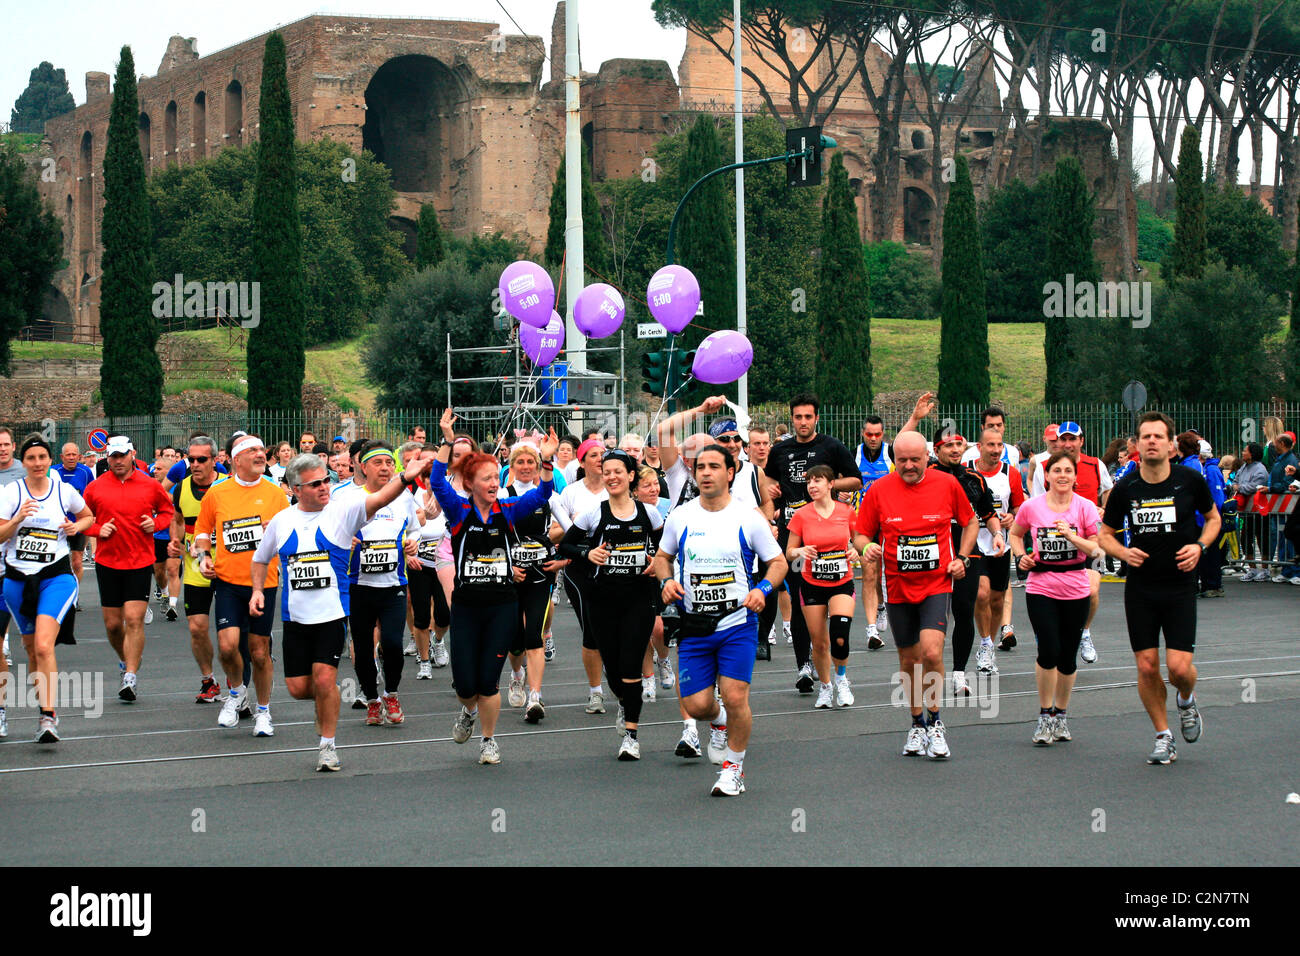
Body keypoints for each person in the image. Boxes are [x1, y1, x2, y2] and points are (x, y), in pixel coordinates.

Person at [250, 449, 435, 771]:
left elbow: (379, 499)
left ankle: (327, 747)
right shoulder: (282, 521)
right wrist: (256, 591)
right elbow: (260, 559)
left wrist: (406, 476)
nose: (324, 487)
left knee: (324, 678)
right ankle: (328, 695)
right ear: (296, 489)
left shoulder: (341, 511)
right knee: (297, 689)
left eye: (325, 480)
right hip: (295, 619)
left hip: (332, 616)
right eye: (314, 484)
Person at [652, 443, 786, 796]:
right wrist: (666, 581)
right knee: (697, 705)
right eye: (701, 467)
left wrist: (763, 590)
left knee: (735, 695)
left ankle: (733, 769)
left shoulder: (747, 517)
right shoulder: (681, 516)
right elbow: (663, 557)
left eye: (714, 466)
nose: (706, 472)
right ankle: (719, 722)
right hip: (695, 625)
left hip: (737, 623)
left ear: (730, 473)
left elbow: (779, 563)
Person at [427, 409, 558, 765]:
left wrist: (546, 459)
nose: (491, 483)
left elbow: (544, 493)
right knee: (465, 685)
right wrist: (446, 440)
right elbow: (437, 481)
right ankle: (466, 712)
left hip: (502, 605)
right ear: (470, 484)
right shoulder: (458, 511)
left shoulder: (509, 509)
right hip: (467, 606)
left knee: (489, 681)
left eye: (494, 477)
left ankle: (488, 740)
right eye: (484, 478)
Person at [1098, 412, 1220, 765]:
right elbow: (1105, 535)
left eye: (1158, 436)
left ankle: (1185, 700)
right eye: (1145, 436)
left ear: (1170, 444)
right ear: (1137, 445)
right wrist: (1123, 551)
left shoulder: (1189, 481)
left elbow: (1213, 519)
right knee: (1148, 666)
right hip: (1141, 588)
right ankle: (1163, 735)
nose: (1151, 441)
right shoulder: (1126, 488)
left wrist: (1199, 547)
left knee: (1179, 670)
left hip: (1180, 585)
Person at [854, 431, 978, 760]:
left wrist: (962, 558)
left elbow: (970, 523)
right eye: (902, 460)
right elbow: (859, 532)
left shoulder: (946, 484)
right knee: (909, 660)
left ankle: (936, 722)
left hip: (936, 584)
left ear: (927, 457)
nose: (909, 466)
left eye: (915, 459)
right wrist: (866, 547)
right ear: (895, 460)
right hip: (897, 588)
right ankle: (916, 723)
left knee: (932, 652)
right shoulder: (880, 489)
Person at [560, 449, 663, 759]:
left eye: (618, 471)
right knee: (615, 671)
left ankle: (631, 735)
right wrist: (586, 554)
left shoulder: (649, 514)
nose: (612, 476)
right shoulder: (595, 513)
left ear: (631, 476)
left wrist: (656, 560)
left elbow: (664, 548)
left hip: (638, 598)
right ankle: (622, 699)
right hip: (602, 600)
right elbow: (566, 544)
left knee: (632, 666)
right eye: (607, 472)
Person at [759, 393, 861, 696]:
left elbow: (855, 479)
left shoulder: (831, 446)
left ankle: (830, 665)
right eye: (798, 417)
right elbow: (765, 482)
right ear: (792, 419)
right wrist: (770, 489)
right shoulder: (780, 449)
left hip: (828, 536)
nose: (803, 422)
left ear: (817, 418)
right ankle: (804, 664)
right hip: (796, 535)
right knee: (803, 599)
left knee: (832, 604)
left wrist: (825, 486)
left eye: (808, 417)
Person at [192, 435, 290, 735]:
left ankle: (263, 712)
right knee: (227, 646)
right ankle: (236, 692)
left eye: (262, 450)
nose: (261, 455)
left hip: (264, 582)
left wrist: (274, 534)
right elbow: (202, 530)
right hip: (228, 581)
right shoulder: (217, 493)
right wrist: (203, 557)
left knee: (259, 651)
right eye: (253, 451)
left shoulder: (276, 493)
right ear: (236, 459)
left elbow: (290, 538)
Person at [0, 437, 94, 743]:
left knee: (42, 645)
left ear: (49, 460)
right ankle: (44, 707)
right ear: (23, 462)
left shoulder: (63, 491)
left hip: (56, 576)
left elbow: (88, 516)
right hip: (17, 579)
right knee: (30, 648)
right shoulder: (11, 492)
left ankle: (49, 716)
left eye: (42, 457)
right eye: (31, 458)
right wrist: (17, 519)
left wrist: (75, 528)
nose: (37, 463)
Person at [1008, 453, 1101, 745]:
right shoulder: (1032, 507)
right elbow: (1015, 533)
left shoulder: (1085, 508)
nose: (1062, 475)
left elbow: (1096, 550)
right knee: (1048, 650)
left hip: (1075, 586)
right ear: (1046, 476)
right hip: (1042, 586)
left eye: (1068, 471)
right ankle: (1044, 715)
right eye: (1056, 470)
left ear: (1075, 477)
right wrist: (1021, 556)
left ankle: (1061, 714)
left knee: (1067, 656)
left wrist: (1072, 537)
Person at [82, 436, 175, 703]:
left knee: (134, 620)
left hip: (139, 561)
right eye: (113, 456)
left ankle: (130, 677)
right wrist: (98, 529)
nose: (118, 461)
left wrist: (155, 525)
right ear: (107, 458)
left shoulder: (149, 484)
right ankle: (126, 659)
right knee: (113, 625)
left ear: (132, 454)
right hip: (108, 563)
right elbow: (81, 518)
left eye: (123, 455)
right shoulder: (96, 487)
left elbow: (168, 512)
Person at [346, 440, 423, 727]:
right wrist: (345, 540)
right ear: (362, 466)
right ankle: (372, 698)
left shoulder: (403, 496)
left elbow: (415, 529)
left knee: (392, 643)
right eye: (378, 463)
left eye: (389, 463)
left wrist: (412, 543)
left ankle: (391, 693)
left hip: (393, 585)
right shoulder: (346, 497)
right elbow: (326, 532)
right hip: (358, 586)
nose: (385, 468)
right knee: (363, 649)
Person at [1034, 422, 1112, 665]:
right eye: (1063, 439)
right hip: (1053, 537)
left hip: (1088, 536)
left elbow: (1108, 490)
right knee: (1053, 591)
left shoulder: (1095, 464)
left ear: (1081, 441)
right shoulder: (1044, 467)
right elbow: (1036, 500)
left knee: (1093, 590)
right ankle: (1053, 634)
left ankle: (1084, 632)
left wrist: (1103, 509)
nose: (1067, 444)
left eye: (1072, 439)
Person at [785, 464, 860, 708]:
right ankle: (826, 687)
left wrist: (856, 551)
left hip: (841, 581)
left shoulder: (846, 511)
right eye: (809, 482)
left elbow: (859, 539)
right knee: (819, 642)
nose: (812, 486)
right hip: (812, 583)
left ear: (830, 484)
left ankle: (842, 680)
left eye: (817, 481)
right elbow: (789, 552)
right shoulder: (802, 515)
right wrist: (800, 550)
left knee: (839, 637)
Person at [503, 440, 565, 723]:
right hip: (511, 577)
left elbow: (571, 529)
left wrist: (564, 559)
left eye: (531, 462)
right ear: (512, 467)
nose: (526, 467)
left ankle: (535, 697)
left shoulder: (549, 496)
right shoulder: (503, 495)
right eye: (520, 462)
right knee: (514, 639)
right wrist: (507, 567)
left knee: (533, 637)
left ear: (538, 466)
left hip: (540, 575)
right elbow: (494, 537)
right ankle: (517, 675)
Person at [168, 437, 230, 703]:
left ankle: (237, 681)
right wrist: (176, 542)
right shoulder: (181, 488)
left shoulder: (228, 486)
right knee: (197, 627)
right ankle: (209, 680)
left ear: (214, 460)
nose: (194, 464)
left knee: (231, 634)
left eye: (201, 459)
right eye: (190, 459)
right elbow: (179, 519)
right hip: (195, 566)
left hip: (228, 566)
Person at [551, 436, 610, 711]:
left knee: (612, 626)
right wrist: (574, 526)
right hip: (579, 566)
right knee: (591, 628)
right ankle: (596, 691)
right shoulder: (570, 493)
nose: (600, 459)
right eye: (594, 455)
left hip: (611, 564)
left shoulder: (616, 489)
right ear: (583, 461)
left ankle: (617, 673)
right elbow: (554, 535)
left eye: (603, 454)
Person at [968, 427, 1023, 681]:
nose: (995, 450)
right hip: (973, 544)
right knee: (982, 593)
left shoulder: (1010, 473)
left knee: (997, 600)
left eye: (999, 445)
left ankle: (988, 642)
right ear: (979, 447)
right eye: (990, 445)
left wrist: (1013, 516)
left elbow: (1018, 506)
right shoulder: (966, 471)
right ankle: (985, 643)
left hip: (1000, 545)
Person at [404, 442, 450, 680]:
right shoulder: (412, 498)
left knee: (444, 615)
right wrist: (409, 553)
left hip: (444, 565)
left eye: (437, 476)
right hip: (419, 564)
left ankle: (438, 641)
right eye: (428, 477)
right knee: (421, 616)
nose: (433, 480)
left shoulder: (452, 498)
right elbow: (403, 530)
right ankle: (424, 662)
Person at [853, 415, 893, 649]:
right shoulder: (855, 455)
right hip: (865, 524)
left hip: (889, 522)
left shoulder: (890, 455)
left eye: (878, 434)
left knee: (883, 574)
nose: (874, 438)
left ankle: (882, 606)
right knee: (869, 573)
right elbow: (842, 479)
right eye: (869, 434)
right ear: (863, 433)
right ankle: (871, 631)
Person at [54, 442, 95, 602]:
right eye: (68, 455)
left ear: (79, 456)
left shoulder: (85, 472)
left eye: (74, 455)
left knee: (77, 562)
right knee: (59, 562)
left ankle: (74, 597)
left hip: (79, 524)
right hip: (59, 525)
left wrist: (92, 514)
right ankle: (60, 593)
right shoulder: (54, 472)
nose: (71, 458)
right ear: (62, 457)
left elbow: (91, 493)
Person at [1233, 442, 1271, 580]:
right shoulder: (1244, 467)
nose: (1242, 453)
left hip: (1259, 511)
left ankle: (1265, 568)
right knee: (1245, 538)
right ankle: (1252, 569)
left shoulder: (1260, 470)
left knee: (1262, 539)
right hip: (1247, 511)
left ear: (1252, 454)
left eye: (1245, 451)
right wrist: (1237, 486)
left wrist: (1239, 487)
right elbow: (1235, 481)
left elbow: (1254, 487)